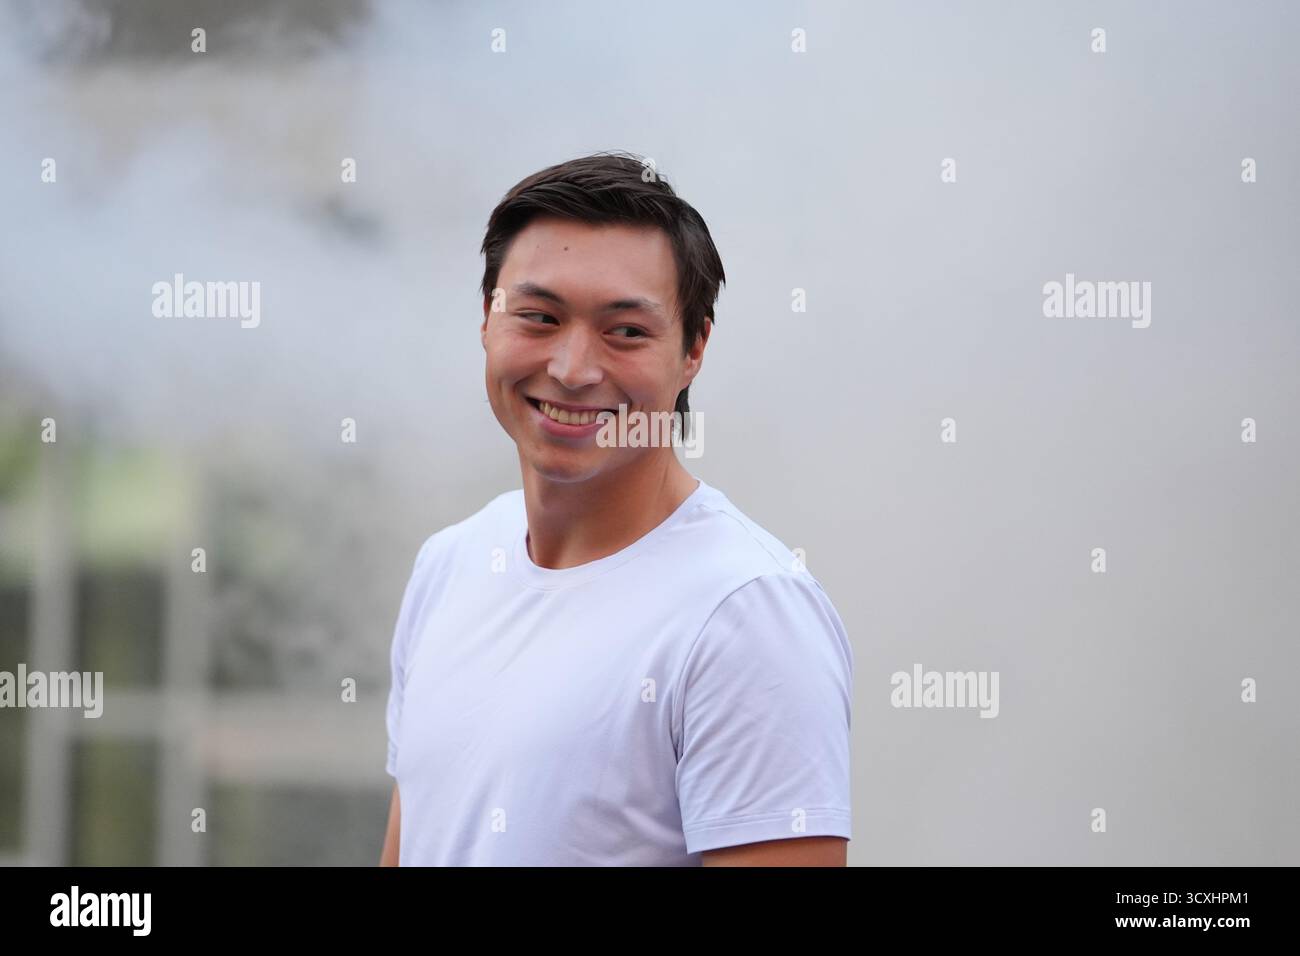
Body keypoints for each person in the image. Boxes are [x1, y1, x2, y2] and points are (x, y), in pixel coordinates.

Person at [380, 152, 852, 866]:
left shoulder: (748, 615)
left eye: (625, 331)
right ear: (486, 319)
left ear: (693, 349)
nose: (572, 369)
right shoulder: (449, 566)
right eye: (539, 318)